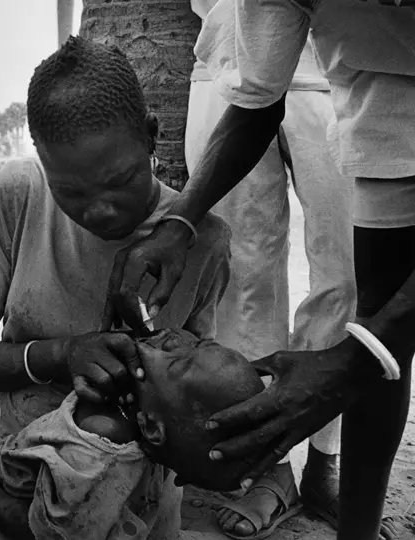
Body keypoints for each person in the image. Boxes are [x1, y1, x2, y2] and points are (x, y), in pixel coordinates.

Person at [99, 1, 415, 539]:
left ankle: (327, 471)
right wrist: (180, 222)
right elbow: (256, 102)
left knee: (365, 318)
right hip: (374, 75)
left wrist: (349, 362)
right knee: (378, 306)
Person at [0, 36, 234, 540]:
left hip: (145, 510)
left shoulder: (202, 242)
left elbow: (197, 394)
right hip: (20, 481)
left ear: (150, 137)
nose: (98, 210)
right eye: (70, 191)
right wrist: (62, 355)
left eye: (120, 181)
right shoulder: (19, 194)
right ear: (42, 161)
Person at [184, 0, 357, 536]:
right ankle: (271, 468)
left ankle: (324, 459)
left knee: (349, 270)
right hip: (228, 51)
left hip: (341, 61)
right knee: (243, 273)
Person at [0, 329, 266, 540]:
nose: (175, 339)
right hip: (12, 478)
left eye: (178, 361)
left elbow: (44, 532)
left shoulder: (101, 442)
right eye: (196, 342)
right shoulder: (138, 422)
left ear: (151, 427)